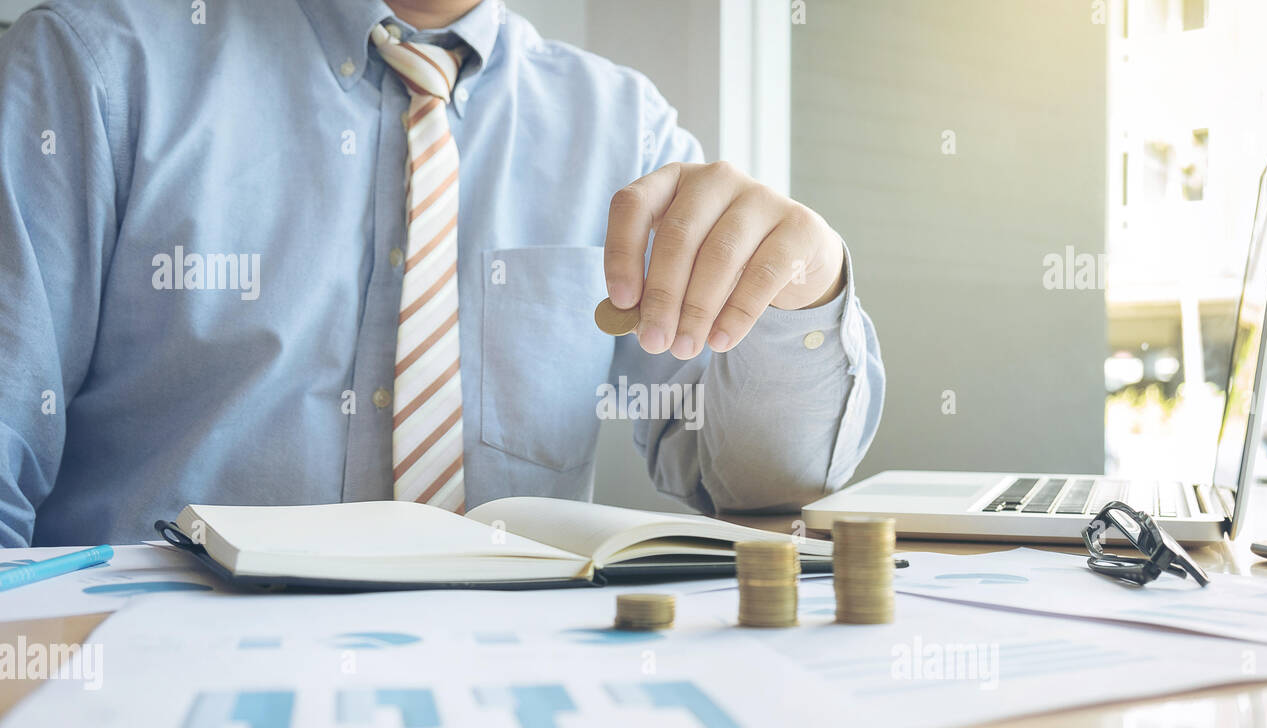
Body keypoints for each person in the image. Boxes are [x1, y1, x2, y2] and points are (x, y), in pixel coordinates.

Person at [0, 0, 885, 547]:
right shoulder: (86, 69)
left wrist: (801, 297)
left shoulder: (626, 129)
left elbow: (757, 486)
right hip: (152, 709)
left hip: (518, 710)